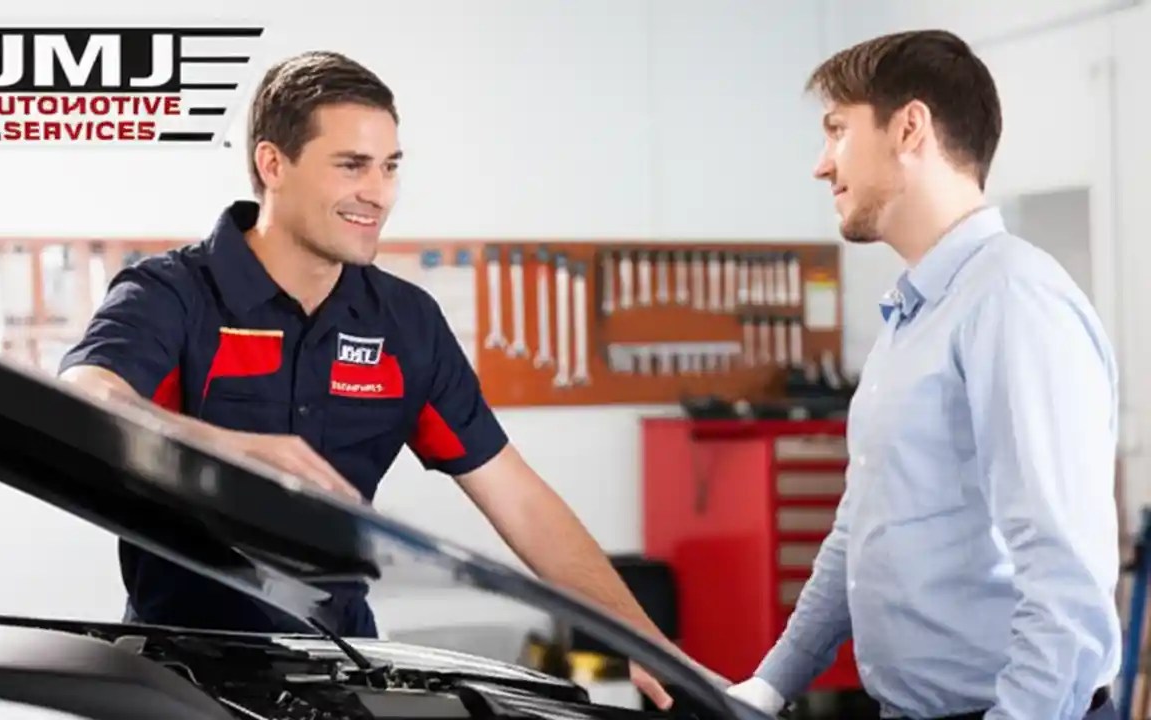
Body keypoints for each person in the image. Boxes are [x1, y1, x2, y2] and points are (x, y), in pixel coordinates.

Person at [57, 50, 677, 708]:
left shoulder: (404, 324)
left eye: (389, 167)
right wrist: (226, 447)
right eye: (351, 165)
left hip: (340, 671)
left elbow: (519, 499)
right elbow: (86, 397)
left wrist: (640, 637)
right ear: (274, 165)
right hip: (178, 681)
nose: (378, 193)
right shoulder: (171, 294)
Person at [726, 30, 1121, 720]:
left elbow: (1067, 583)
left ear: (909, 128)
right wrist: (766, 687)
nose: (822, 165)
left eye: (837, 131)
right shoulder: (915, 315)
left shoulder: (1012, 301)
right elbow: (860, 530)